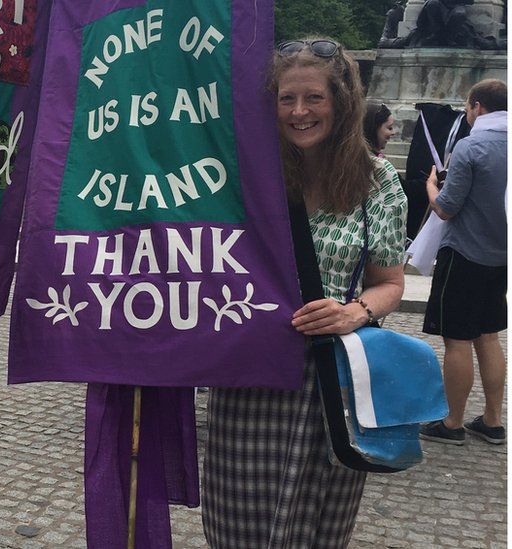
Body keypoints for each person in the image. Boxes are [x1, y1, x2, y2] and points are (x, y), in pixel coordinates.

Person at [202, 39, 407, 548]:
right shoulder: (243, 174)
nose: (299, 112)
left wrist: (354, 311)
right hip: (248, 381)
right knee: (236, 528)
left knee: (319, 530)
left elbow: (389, 284)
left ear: (341, 101)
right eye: (286, 98)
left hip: (332, 385)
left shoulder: (377, 182)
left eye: (314, 98)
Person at [419, 79, 507, 446]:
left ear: (476, 106)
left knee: (457, 340)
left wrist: (430, 185)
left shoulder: (471, 147)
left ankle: (452, 422)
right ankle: (492, 419)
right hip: (500, 258)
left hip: (464, 256)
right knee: (488, 336)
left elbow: (446, 208)